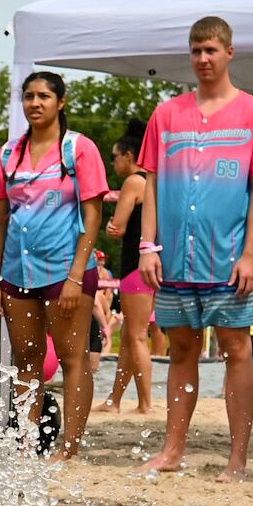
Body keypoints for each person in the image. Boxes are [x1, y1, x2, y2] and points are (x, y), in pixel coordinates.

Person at [134, 18, 253, 479]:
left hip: (228, 257)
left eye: (211, 50)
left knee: (237, 348)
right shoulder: (166, 114)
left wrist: (251, 253)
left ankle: (238, 458)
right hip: (174, 259)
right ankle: (172, 449)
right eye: (196, 50)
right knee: (180, 350)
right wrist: (147, 246)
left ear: (229, 52)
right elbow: (151, 184)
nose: (203, 59)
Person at [0, 72, 109, 461]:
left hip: (65, 271)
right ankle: (24, 444)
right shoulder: (8, 154)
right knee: (26, 361)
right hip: (18, 271)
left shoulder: (78, 149)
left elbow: (93, 216)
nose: (35, 103)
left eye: (43, 96)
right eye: (28, 97)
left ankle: (68, 448)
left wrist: (76, 277)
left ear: (61, 102)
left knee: (73, 359)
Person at [100, 120, 157, 413]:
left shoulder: (134, 182)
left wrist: (112, 225)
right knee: (130, 338)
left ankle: (146, 404)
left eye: (114, 155)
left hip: (136, 265)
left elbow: (118, 227)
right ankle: (115, 399)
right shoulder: (156, 180)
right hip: (154, 265)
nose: (113, 161)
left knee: (135, 337)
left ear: (129, 156)